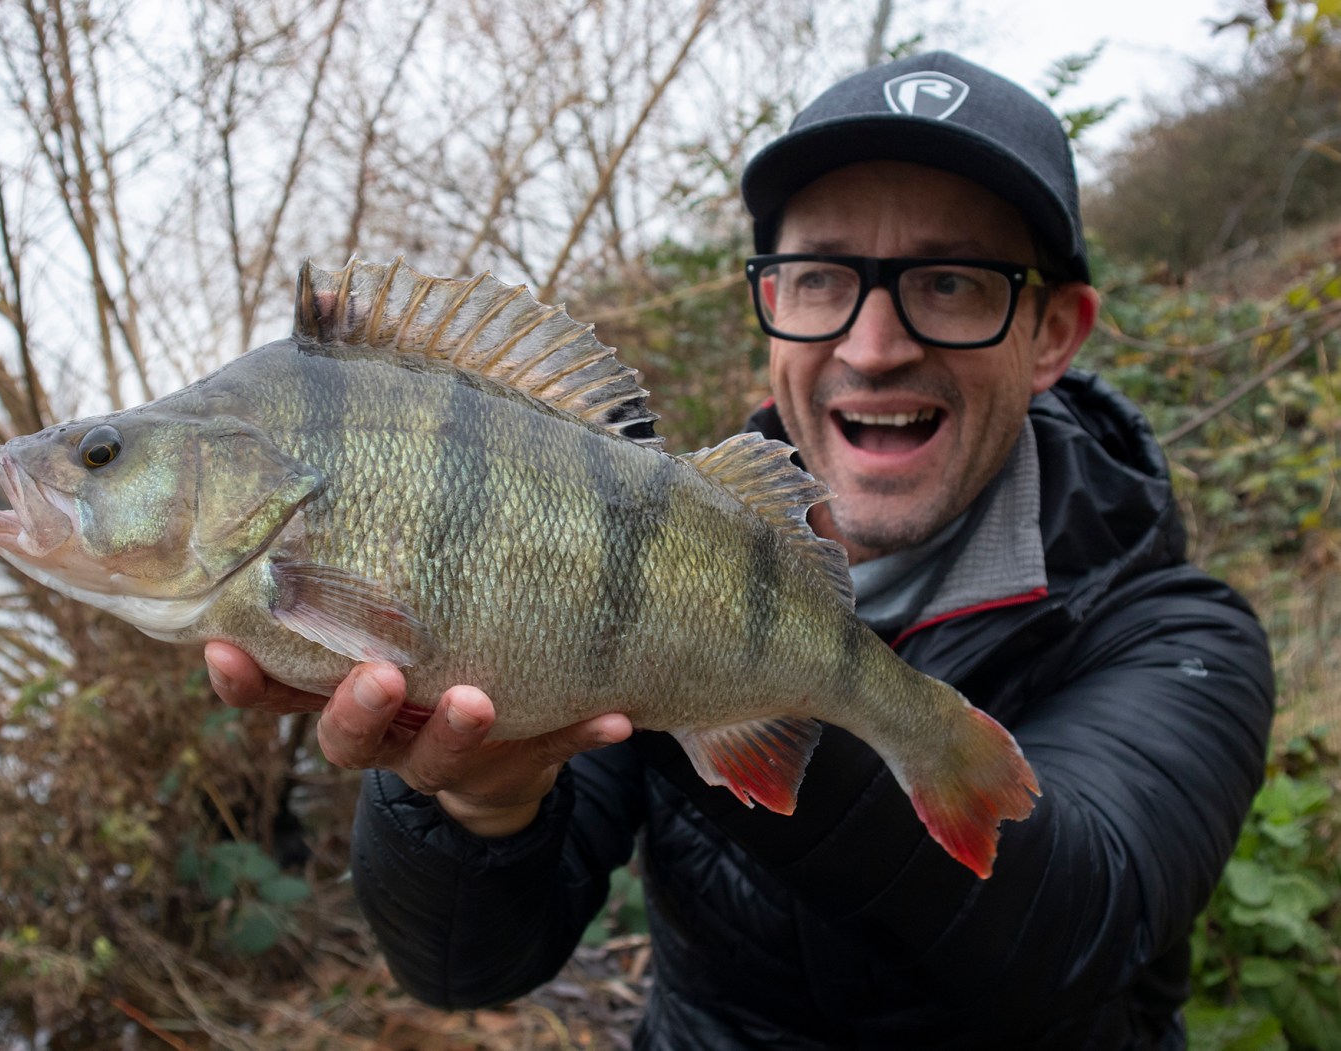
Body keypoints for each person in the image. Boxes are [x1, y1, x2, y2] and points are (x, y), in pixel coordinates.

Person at [206, 51, 1276, 1049]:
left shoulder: (1182, 636)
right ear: (769, 310)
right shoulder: (626, 532)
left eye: (950, 281)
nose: (871, 342)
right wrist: (476, 801)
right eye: (818, 278)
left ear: (1051, 333)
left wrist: (783, 675)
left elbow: (1073, 939)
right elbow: (465, 969)